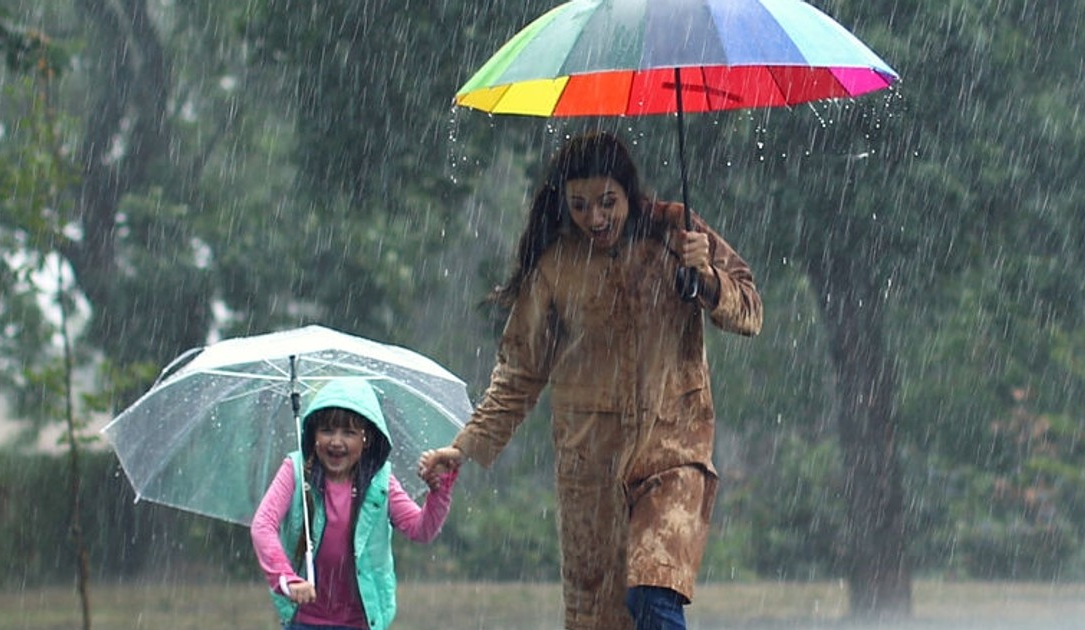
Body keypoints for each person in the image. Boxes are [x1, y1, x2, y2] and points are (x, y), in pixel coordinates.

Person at [419, 131, 762, 630]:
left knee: (654, 589)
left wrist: (705, 277)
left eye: (607, 203)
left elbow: (750, 311)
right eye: (580, 206)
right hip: (590, 463)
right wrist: (465, 445)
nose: (595, 219)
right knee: (600, 615)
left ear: (629, 193)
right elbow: (520, 371)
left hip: (673, 449)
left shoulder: (676, 234)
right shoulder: (556, 264)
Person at [251, 376, 458, 630]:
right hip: (303, 621)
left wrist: (440, 491)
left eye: (349, 432)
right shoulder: (294, 470)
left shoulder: (380, 482)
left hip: (360, 622)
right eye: (327, 430)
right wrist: (286, 579)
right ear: (313, 434)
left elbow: (421, 529)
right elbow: (263, 525)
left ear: (366, 439)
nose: (336, 441)